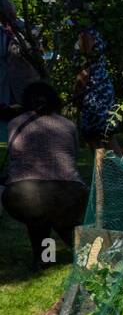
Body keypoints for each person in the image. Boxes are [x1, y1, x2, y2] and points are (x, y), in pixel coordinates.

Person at [1, 82, 88, 270]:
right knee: (58, 217)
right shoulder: (68, 125)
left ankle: (45, 259)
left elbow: (15, 156)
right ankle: (85, 253)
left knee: (38, 216)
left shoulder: (15, 123)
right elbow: (73, 155)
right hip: (70, 191)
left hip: (23, 192)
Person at [72, 13, 118, 153]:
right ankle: (109, 172)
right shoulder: (94, 33)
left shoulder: (86, 35)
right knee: (101, 136)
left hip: (95, 91)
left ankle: (114, 172)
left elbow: (86, 65)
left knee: (100, 136)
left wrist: (77, 91)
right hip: (101, 87)